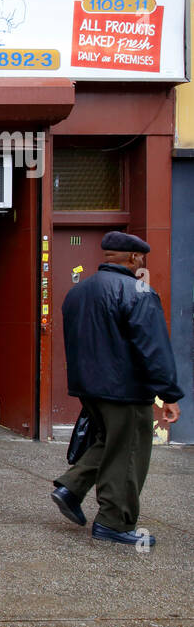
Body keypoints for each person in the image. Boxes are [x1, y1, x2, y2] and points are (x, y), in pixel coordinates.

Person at [51, 231, 184, 548]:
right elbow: (154, 349)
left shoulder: (78, 292)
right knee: (129, 452)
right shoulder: (139, 292)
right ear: (135, 258)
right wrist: (169, 395)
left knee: (109, 440)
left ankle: (71, 487)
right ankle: (115, 522)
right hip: (124, 388)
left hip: (89, 387)